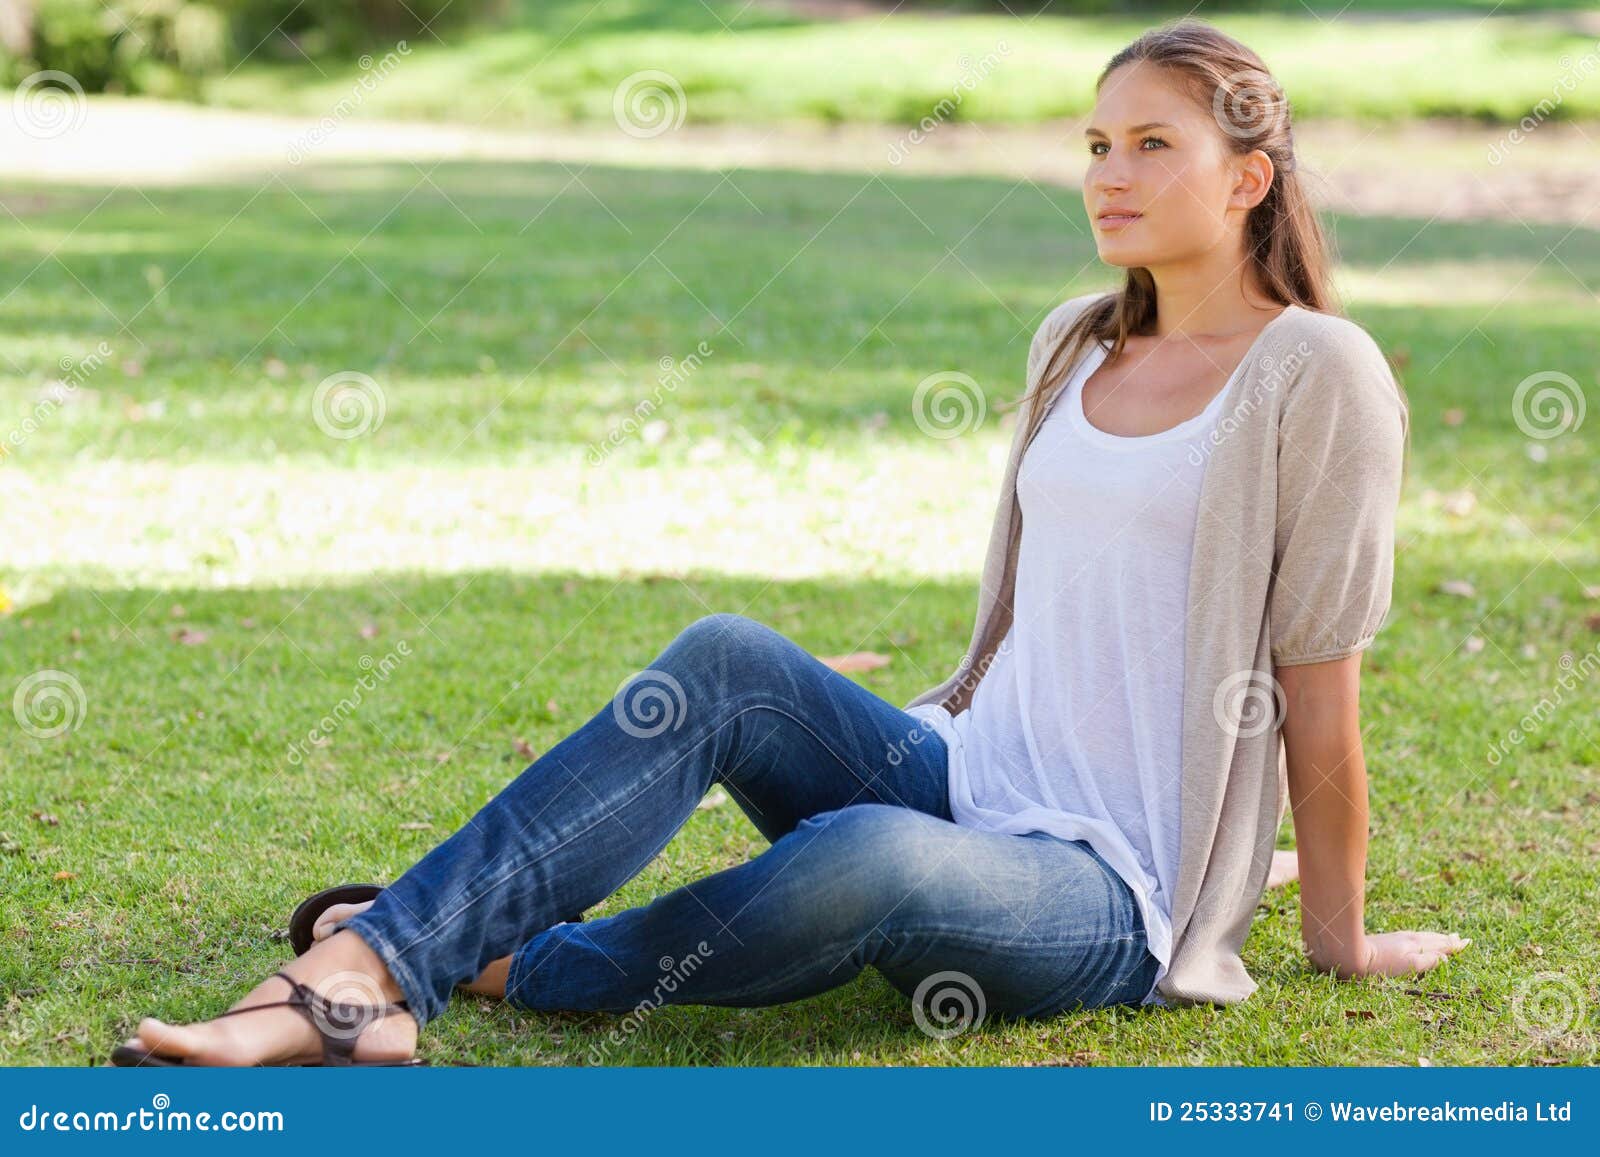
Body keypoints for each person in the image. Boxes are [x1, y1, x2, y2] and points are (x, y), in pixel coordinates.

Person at [114, 18, 1467, 1067]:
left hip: (1108, 892)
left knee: (870, 850)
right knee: (726, 660)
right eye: (1097, 145)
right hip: (967, 768)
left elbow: (1320, 683)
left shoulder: (1318, 372)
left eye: (1152, 145)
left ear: (1252, 176)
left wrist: (1332, 934)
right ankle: (370, 976)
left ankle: (527, 966)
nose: (1110, 175)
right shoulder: (1074, 339)